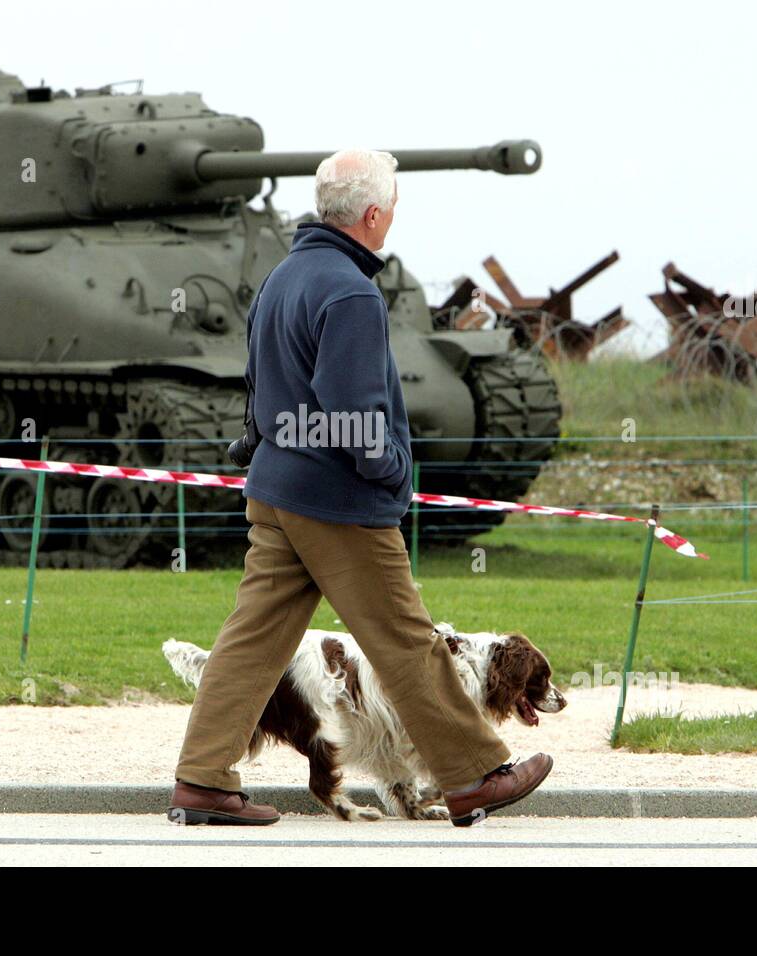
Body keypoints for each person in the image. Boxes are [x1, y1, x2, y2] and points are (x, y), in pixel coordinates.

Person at [168, 149, 551, 827]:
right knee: (408, 640)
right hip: (338, 500)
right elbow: (352, 411)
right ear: (373, 215)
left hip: (277, 490)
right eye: (393, 206)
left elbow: (260, 395)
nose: (393, 216)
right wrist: (391, 472)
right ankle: (475, 778)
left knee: (251, 641)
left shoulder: (281, 280)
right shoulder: (349, 290)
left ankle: (203, 781)